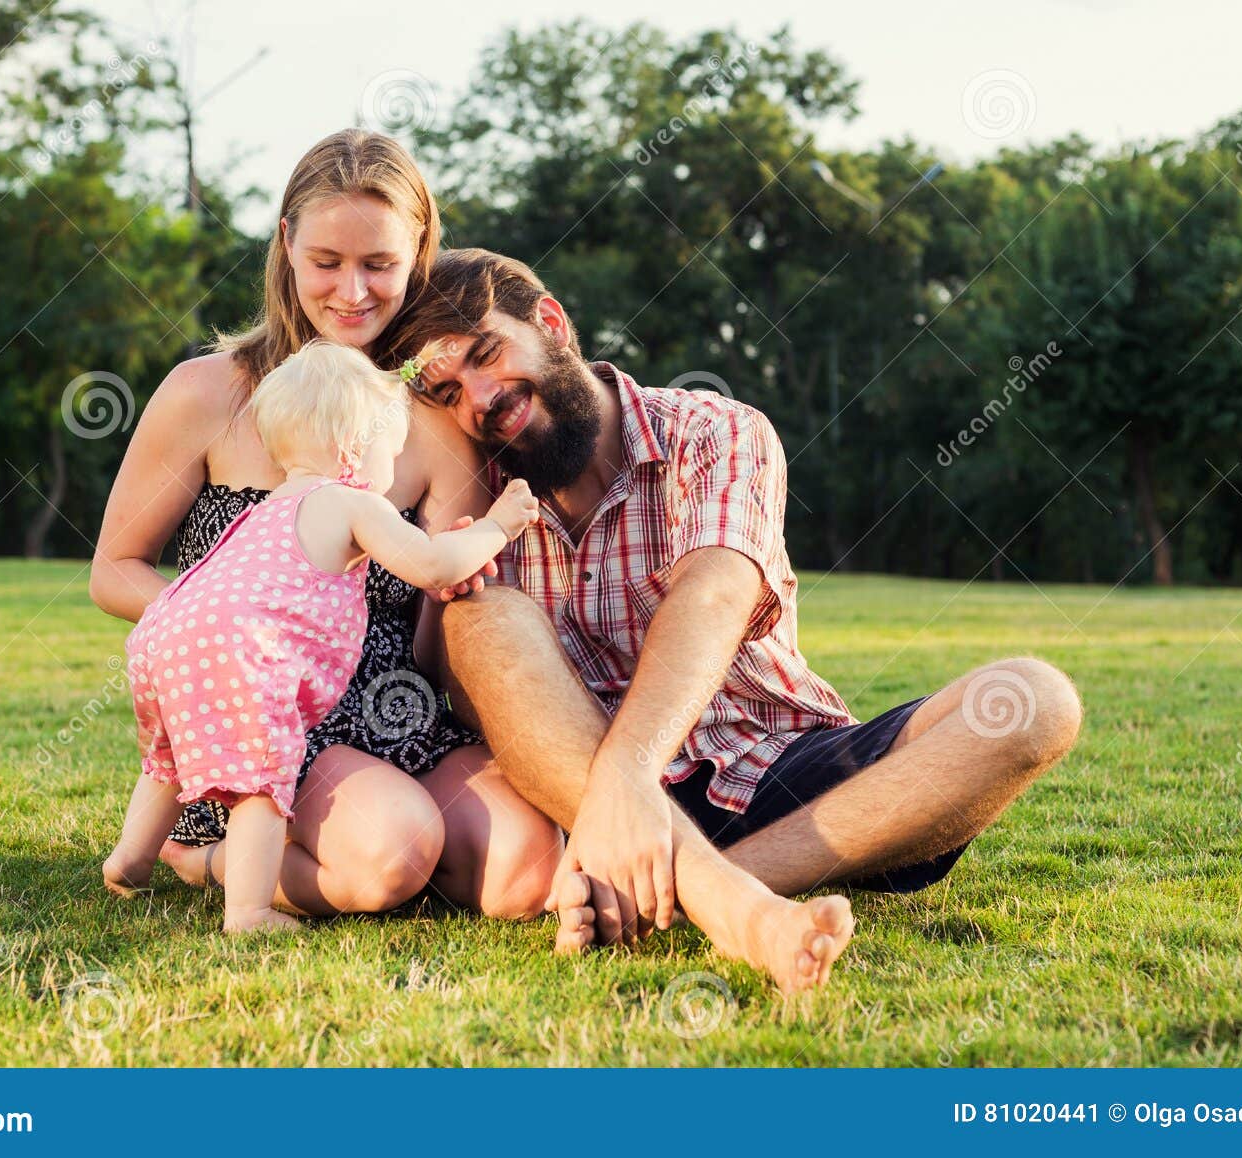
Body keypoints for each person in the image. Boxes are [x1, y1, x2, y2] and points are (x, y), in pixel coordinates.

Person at [387, 248, 1085, 992]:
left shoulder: (712, 429)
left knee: (1034, 703)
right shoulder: (480, 506)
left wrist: (626, 781)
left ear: (552, 323)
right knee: (479, 616)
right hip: (579, 789)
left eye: (487, 355)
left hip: (770, 771)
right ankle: (733, 906)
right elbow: (470, 693)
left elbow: (713, 596)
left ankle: (694, 888)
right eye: (448, 390)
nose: (479, 397)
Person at [89, 132, 562, 922]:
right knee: (392, 860)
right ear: (286, 246)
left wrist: (466, 597)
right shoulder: (207, 393)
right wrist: (237, 628)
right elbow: (114, 570)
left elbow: (433, 628)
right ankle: (209, 861)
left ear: (418, 251)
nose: (353, 291)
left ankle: (377, 833)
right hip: (259, 711)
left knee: (525, 870)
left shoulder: (437, 422)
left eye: (379, 263)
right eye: (326, 261)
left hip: (396, 703)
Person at [103, 342, 540, 933]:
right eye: (390, 446)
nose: (394, 463)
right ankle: (249, 912)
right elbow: (435, 565)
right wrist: (498, 524)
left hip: (168, 638)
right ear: (355, 450)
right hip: (248, 656)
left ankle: (130, 859)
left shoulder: (267, 508)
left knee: (168, 761)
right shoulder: (354, 503)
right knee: (263, 781)